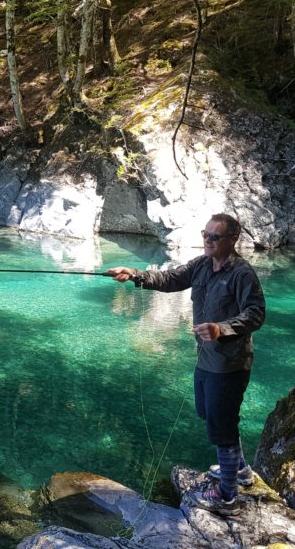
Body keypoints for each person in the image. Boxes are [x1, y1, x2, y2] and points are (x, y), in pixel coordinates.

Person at [106, 213, 266, 516]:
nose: (207, 241)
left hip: (229, 363)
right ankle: (240, 470)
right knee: (209, 414)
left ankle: (228, 498)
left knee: (221, 425)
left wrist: (222, 328)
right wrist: (134, 274)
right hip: (206, 357)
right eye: (205, 234)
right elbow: (171, 279)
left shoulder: (242, 273)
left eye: (214, 237)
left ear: (233, 239)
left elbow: (256, 313)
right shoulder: (202, 265)